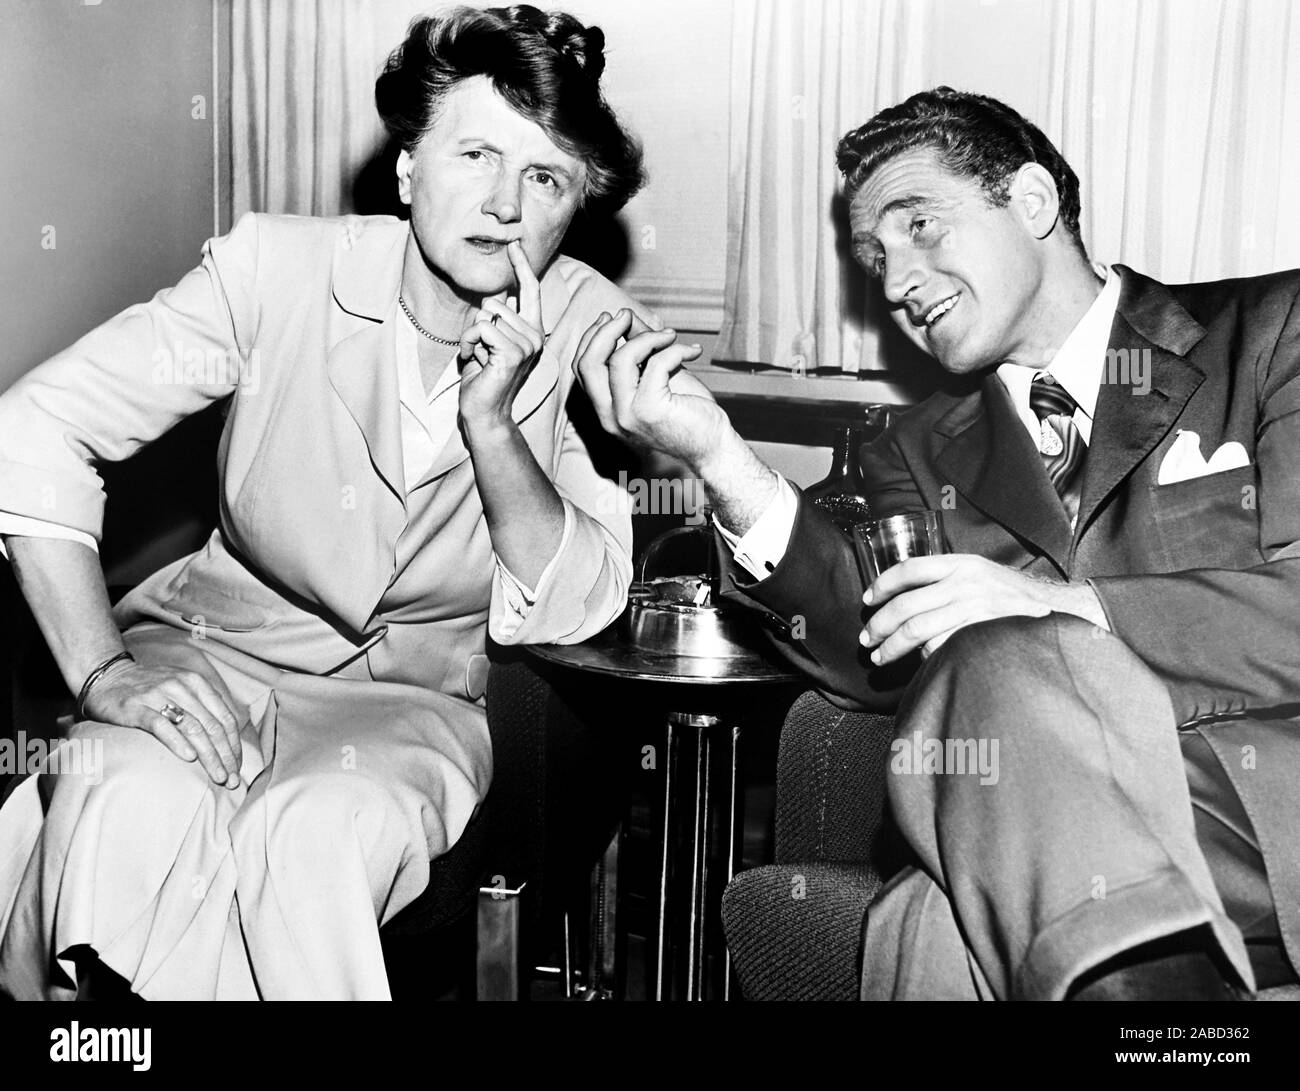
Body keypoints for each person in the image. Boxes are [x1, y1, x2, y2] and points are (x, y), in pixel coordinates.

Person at [0, 4, 680, 1000]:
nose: (502, 202)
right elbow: (31, 427)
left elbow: (580, 600)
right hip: (203, 657)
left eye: (543, 177)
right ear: (409, 169)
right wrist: (105, 672)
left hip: (413, 706)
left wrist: (494, 428)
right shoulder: (275, 270)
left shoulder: (589, 329)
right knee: (128, 797)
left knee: (318, 831)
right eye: (475, 154)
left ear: (573, 210)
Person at [574, 87, 1300, 1000]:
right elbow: (864, 641)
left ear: (1032, 202)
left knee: (938, 897)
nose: (895, 280)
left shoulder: (1272, 334)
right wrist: (718, 457)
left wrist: (1066, 605)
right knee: (941, 899)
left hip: (1262, 810)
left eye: (919, 225)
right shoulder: (913, 446)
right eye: (873, 256)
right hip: (1039, 836)